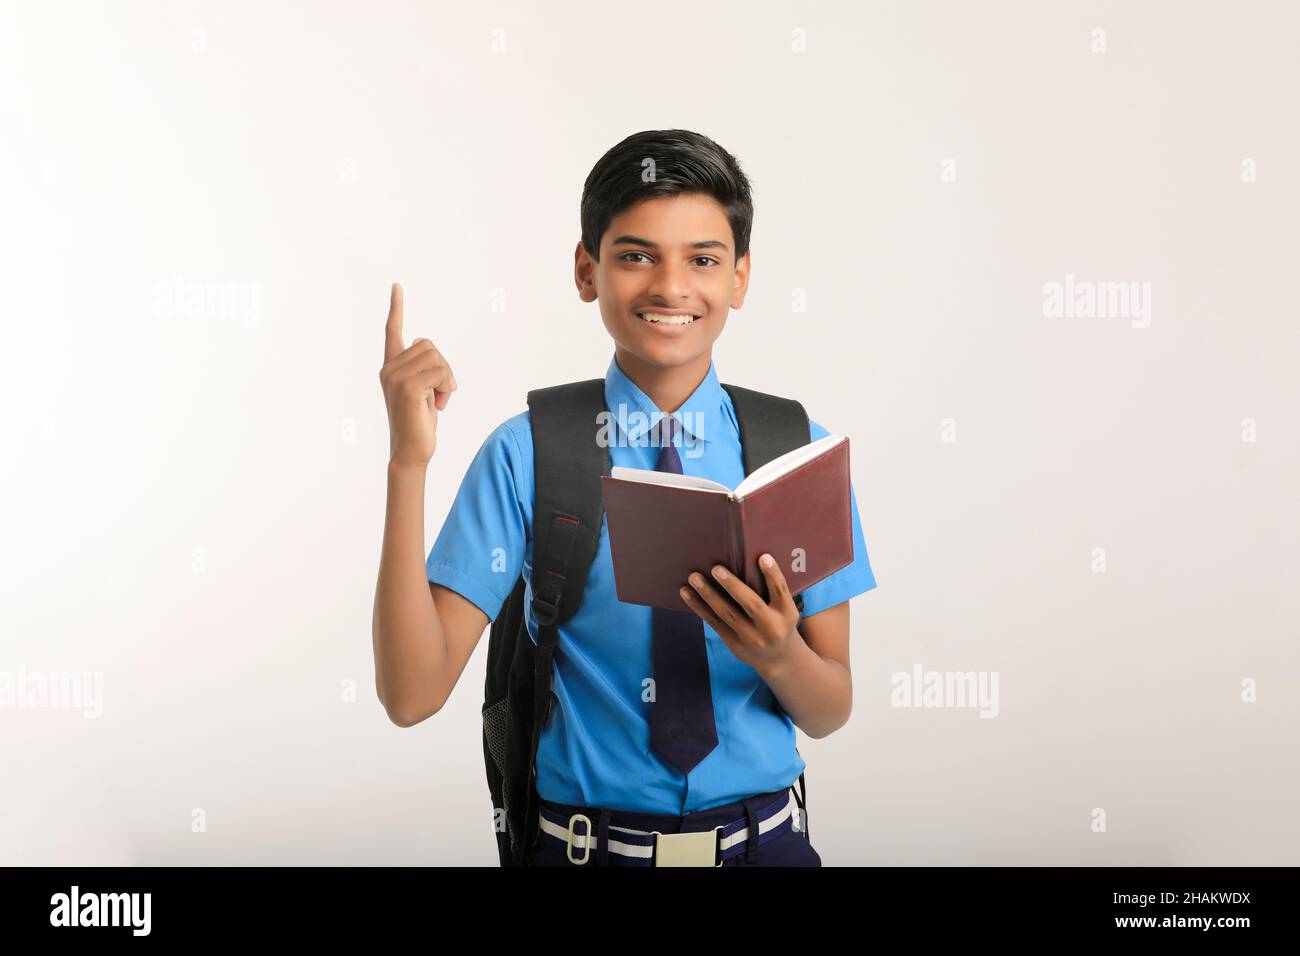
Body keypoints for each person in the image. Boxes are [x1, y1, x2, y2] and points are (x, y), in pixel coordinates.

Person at [373, 129, 877, 866]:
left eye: (702, 260)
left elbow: (830, 709)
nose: (671, 287)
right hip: (587, 852)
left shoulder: (797, 451)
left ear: (739, 278)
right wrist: (407, 465)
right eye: (636, 255)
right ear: (587, 271)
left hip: (767, 847)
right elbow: (411, 696)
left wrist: (776, 654)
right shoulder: (528, 453)